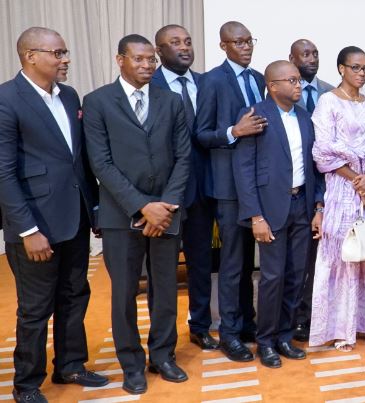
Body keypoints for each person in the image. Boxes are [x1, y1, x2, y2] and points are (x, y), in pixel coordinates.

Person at [0, 27, 107, 403]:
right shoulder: (6, 100)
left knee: (75, 294)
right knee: (35, 309)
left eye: (65, 52)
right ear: (30, 56)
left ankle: (71, 365)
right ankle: (26, 384)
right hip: (35, 226)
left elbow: (77, 162)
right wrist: (28, 229)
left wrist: (94, 208)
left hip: (74, 218)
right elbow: (3, 173)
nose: (66, 60)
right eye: (58, 53)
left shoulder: (70, 95)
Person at [83, 34, 191, 394]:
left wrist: (165, 206)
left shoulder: (171, 101)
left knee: (165, 289)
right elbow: (101, 162)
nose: (147, 66)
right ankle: (131, 364)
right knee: (125, 292)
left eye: (151, 61)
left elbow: (183, 158)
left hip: (167, 213)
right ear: (120, 60)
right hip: (121, 215)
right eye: (139, 60)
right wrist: (142, 206)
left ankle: (162, 356)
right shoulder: (97, 101)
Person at [233, 60, 325, 367]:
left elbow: (315, 167)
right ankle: (266, 341)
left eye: (298, 80)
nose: (298, 85)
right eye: (291, 81)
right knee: (272, 277)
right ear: (272, 86)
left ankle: (285, 336)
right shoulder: (255, 116)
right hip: (270, 210)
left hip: (302, 205)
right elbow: (244, 170)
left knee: (296, 276)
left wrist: (318, 206)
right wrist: (255, 216)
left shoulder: (304, 116)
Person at [309, 46, 365, 351]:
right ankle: (342, 330)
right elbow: (321, 151)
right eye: (356, 67)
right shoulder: (327, 102)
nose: (361, 73)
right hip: (342, 190)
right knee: (343, 257)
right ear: (341, 69)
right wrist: (355, 180)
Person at [195, 21, 262, 362]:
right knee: (233, 262)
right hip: (228, 187)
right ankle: (230, 333)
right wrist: (234, 131)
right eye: (238, 42)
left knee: (250, 261)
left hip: (257, 183)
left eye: (249, 40)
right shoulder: (212, 81)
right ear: (223, 46)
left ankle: (248, 323)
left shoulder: (260, 79)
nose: (246, 46)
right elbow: (202, 134)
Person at [150, 24, 218, 351]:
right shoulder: (149, 84)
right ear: (159, 51)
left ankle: (200, 325)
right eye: (175, 43)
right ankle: (163, 340)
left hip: (203, 191)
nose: (185, 48)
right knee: (162, 272)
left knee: (201, 263)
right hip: (164, 196)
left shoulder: (207, 83)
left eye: (188, 42)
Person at [288, 38, 334, 342]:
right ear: (291, 58)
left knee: (321, 257)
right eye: (305, 53)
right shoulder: (278, 93)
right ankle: (292, 319)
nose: (312, 58)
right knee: (295, 261)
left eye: (316, 53)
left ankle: (315, 315)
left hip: (330, 184)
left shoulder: (330, 92)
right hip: (294, 184)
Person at [289, 39, 334, 114]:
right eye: (306, 55)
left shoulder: (332, 91)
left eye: (315, 55)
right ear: (291, 59)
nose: (313, 60)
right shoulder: (282, 92)